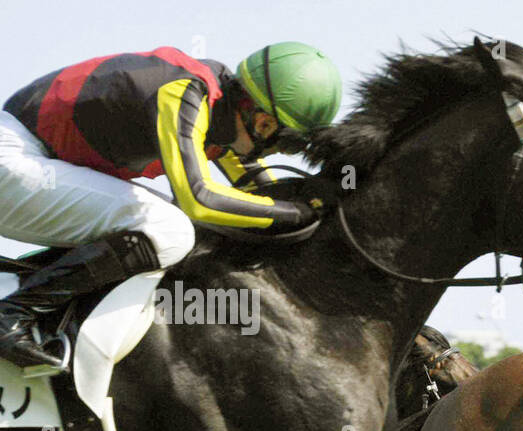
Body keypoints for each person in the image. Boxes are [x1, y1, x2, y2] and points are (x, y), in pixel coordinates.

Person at [0, 42, 342, 371]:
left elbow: (261, 190)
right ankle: (12, 314)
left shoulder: (223, 112)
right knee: (170, 229)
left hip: (31, 164)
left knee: (160, 227)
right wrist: (296, 213)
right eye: (280, 145)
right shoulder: (184, 92)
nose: (273, 155)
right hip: (14, 159)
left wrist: (325, 204)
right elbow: (199, 200)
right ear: (264, 123)